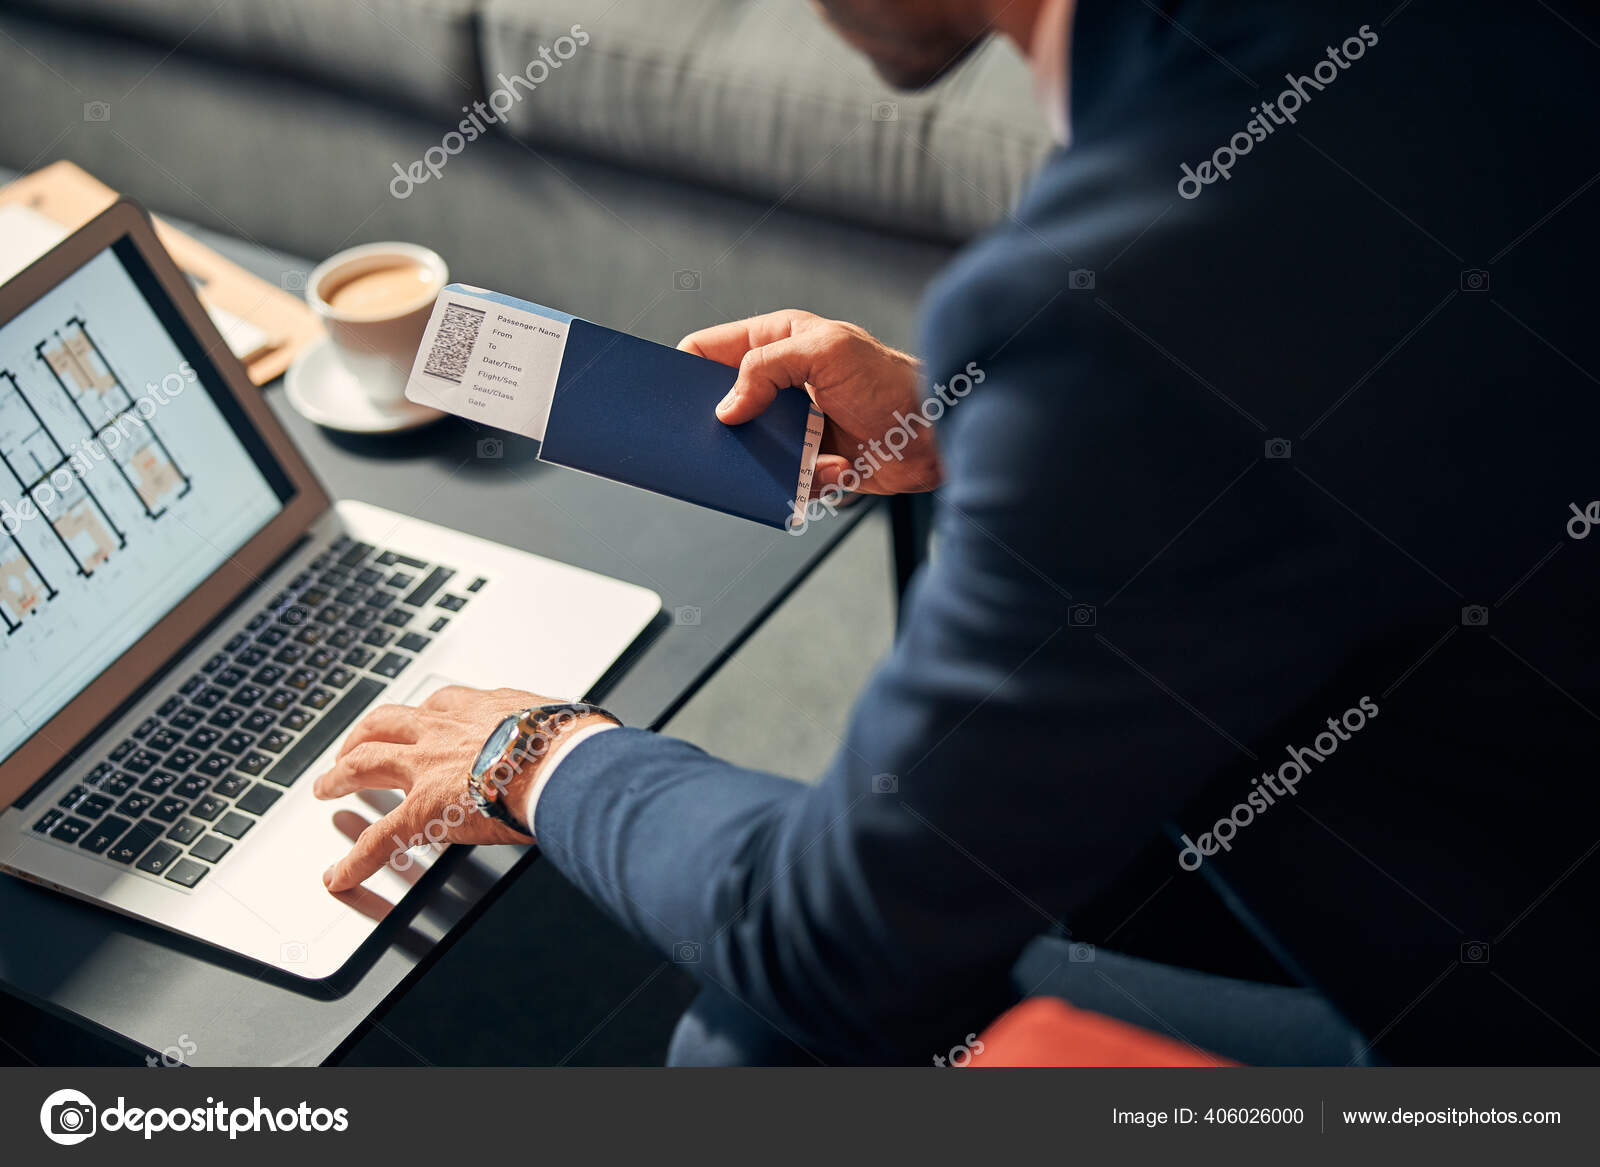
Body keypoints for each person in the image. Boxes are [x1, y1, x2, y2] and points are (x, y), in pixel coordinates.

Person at [314, 0, 1600, 1065]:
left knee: (759, 1047)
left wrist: (538, 753)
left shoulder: (1129, 292)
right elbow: (1378, 385)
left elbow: (824, 951)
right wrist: (988, 432)